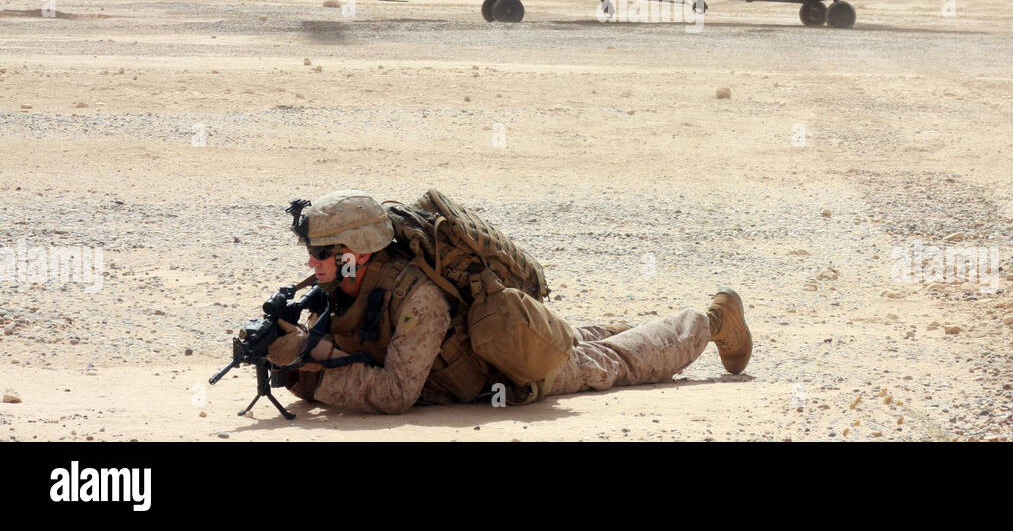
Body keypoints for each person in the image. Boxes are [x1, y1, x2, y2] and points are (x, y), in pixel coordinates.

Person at [267, 190, 752, 414]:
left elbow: (397, 394)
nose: (312, 264)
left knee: (609, 364)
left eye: (320, 254)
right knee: (584, 340)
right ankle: (616, 327)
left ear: (357, 251)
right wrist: (292, 358)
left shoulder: (418, 297)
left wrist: (313, 360)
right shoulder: (347, 281)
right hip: (491, 341)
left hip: (505, 368)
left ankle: (712, 321)